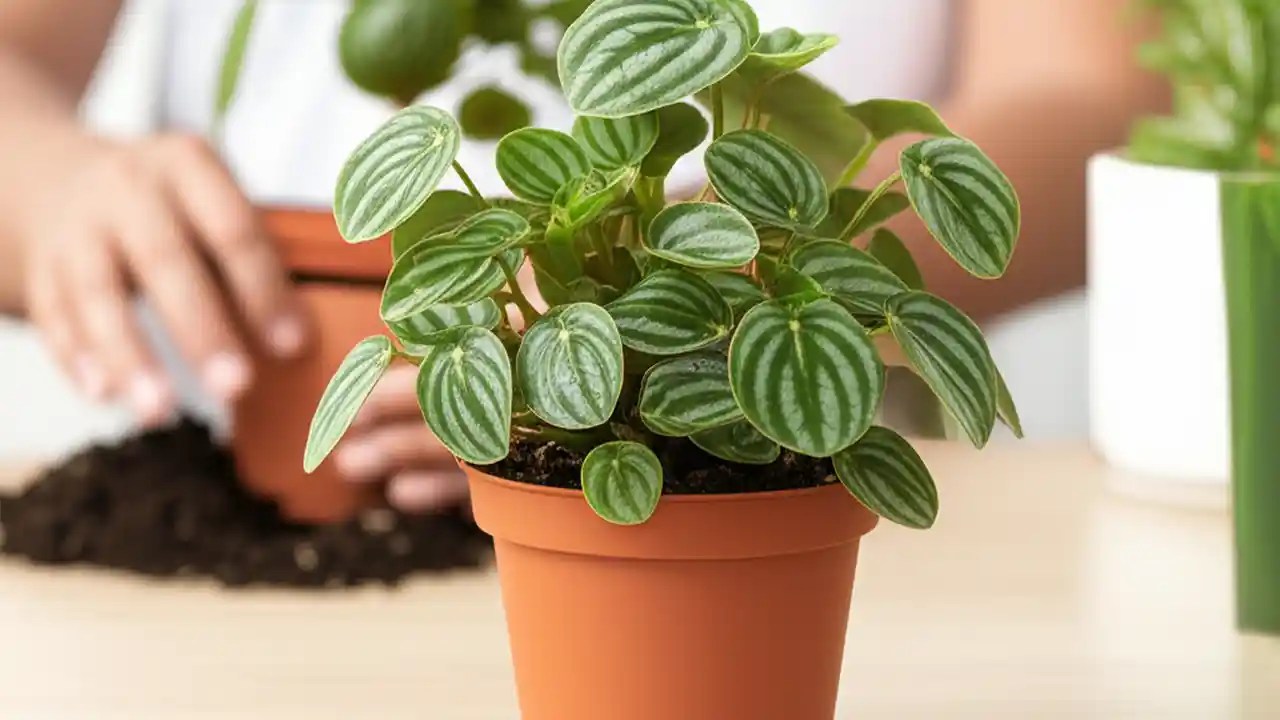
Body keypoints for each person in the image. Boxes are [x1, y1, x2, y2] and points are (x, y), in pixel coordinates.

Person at [0, 0, 1163, 510]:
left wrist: (688, 291)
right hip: (212, 492)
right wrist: (51, 185)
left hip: (750, 492)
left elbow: (1096, 90)